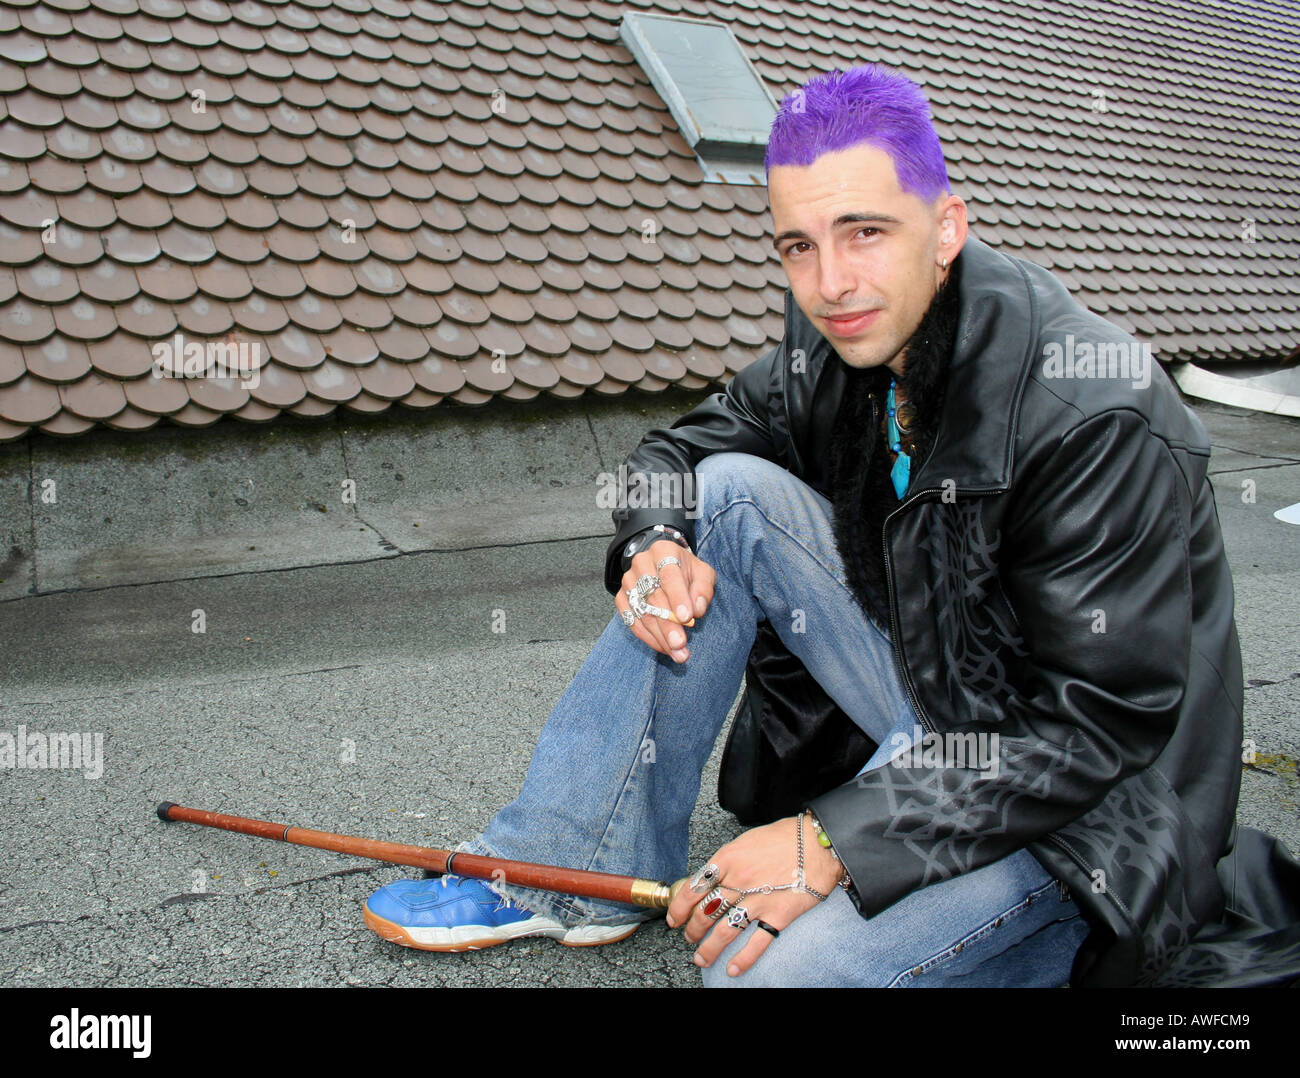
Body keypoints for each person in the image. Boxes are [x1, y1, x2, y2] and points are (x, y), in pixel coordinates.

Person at [364, 65, 1299, 987]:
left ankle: (1032, 941)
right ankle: (576, 868)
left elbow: (1096, 727)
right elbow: (672, 453)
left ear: (947, 228)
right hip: (938, 702)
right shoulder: (839, 344)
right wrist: (655, 544)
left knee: (762, 973)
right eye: (798, 246)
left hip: (1083, 806)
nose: (831, 283)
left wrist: (833, 842)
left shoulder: (1090, 412)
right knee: (721, 494)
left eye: (864, 233)